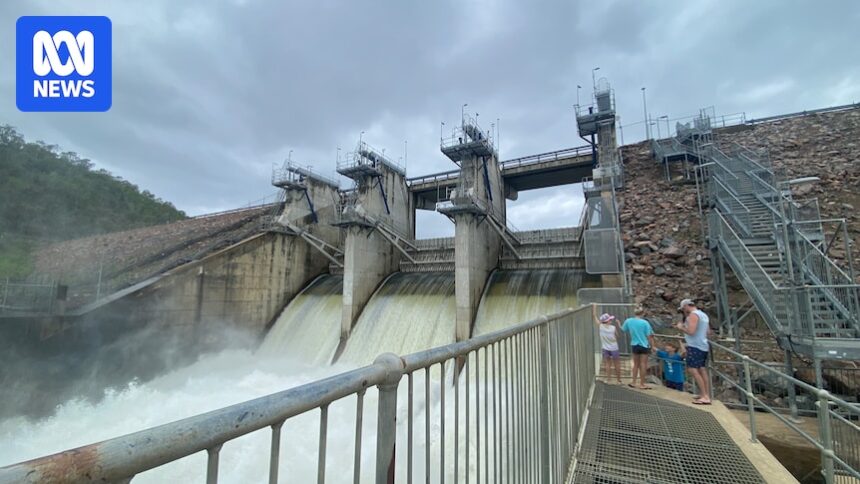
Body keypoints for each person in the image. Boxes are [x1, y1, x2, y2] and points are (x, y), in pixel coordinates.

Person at [676, 298, 712, 404]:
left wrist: (681, 327)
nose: (683, 311)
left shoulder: (693, 315)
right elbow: (708, 331)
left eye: (683, 309)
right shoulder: (703, 315)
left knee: (693, 370)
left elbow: (691, 331)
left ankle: (705, 396)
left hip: (695, 346)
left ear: (686, 306)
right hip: (703, 345)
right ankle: (705, 394)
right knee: (702, 369)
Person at [621, 313, 655, 390]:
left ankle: (633, 382)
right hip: (644, 345)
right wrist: (652, 346)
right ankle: (642, 384)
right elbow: (649, 335)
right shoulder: (645, 323)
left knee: (636, 364)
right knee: (643, 364)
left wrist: (619, 324)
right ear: (642, 313)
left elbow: (623, 329)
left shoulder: (629, 321)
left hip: (634, 344)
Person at [596, 313, 622, 384]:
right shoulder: (613, 328)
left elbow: (594, 317)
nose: (611, 320)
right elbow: (617, 336)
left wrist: (594, 309)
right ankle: (618, 380)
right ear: (607, 321)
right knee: (617, 364)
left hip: (605, 348)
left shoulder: (600, 326)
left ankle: (608, 379)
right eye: (610, 319)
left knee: (607, 364)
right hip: (614, 348)